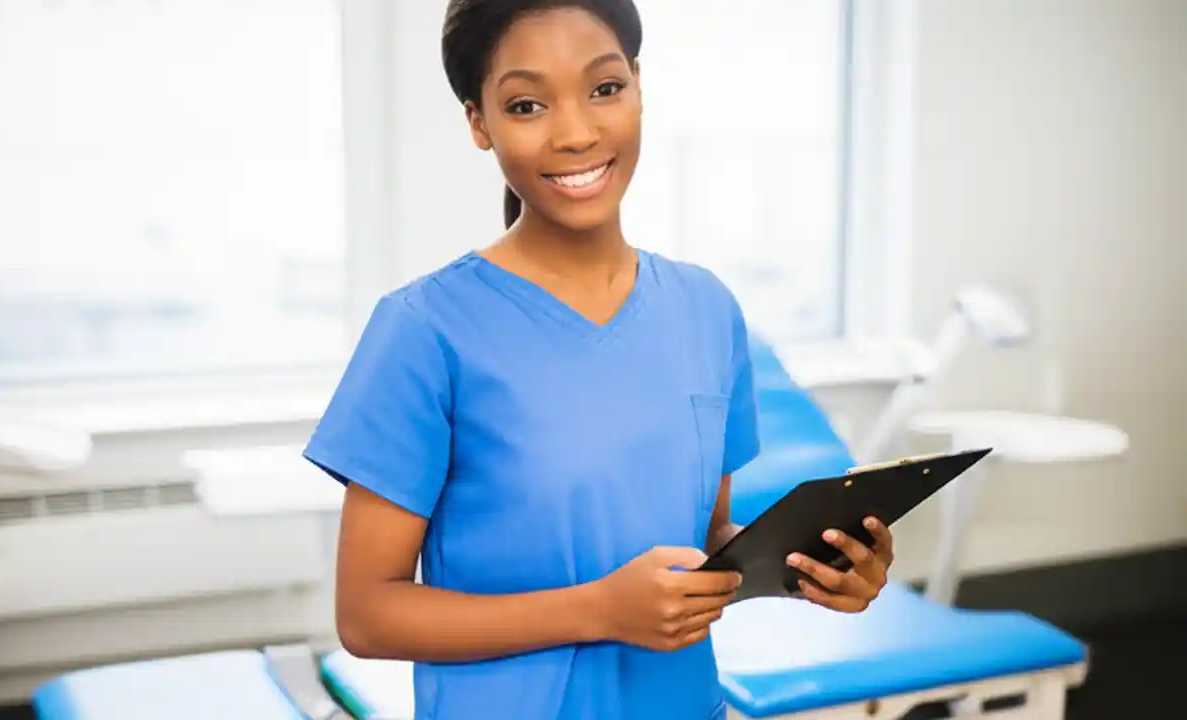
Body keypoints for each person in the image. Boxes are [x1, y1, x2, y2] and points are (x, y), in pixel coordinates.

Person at [303, 1, 894, 718]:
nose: (577, 132)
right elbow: (367, 615)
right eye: (527, 104)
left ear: (638, 86)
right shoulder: (424, 330)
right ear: (479, 124)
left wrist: (818, 569)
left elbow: (708, 541)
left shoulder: (705, 310)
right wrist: (599, 611)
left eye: (605, 88)